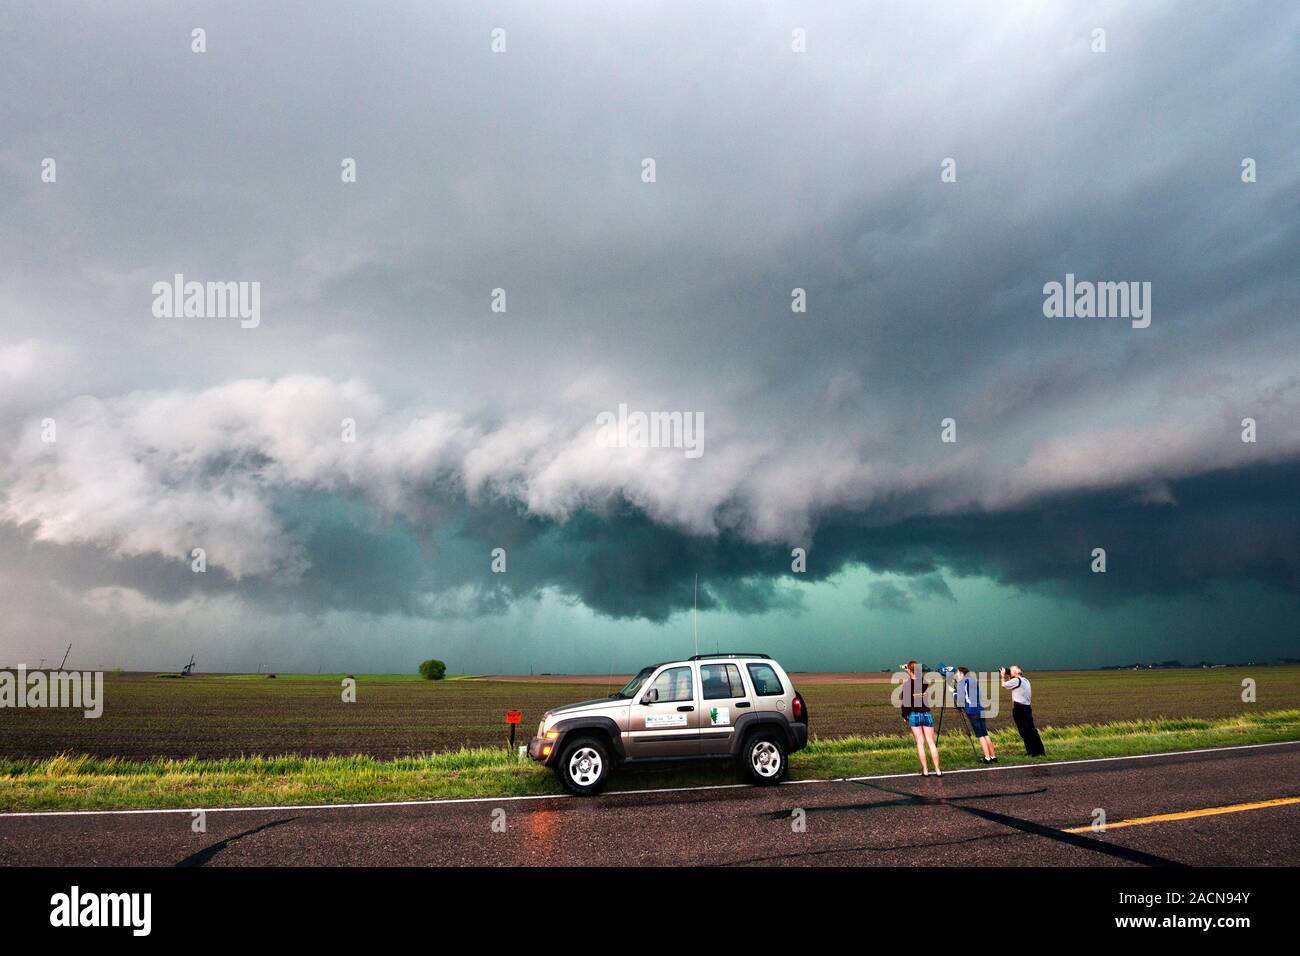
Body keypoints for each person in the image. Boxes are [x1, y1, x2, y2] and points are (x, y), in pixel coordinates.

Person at [899, 660, 941, 776]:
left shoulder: (907, 684)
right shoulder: (923, 682)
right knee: (931, 742)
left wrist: (904, 716)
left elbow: (905, 703)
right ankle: (938, 770)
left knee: (920, 743)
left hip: (914, 714)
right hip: (926, 713)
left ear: (909, 670)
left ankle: (926, 770)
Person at [955, 666, 996, 763]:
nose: (956, 675)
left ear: (961, 673)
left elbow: (960, 699)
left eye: (957, 673)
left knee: (980, 735)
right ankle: (993, 756)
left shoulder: (962, 682)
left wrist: (953, 693)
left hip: (972, 711)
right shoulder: (972, 680)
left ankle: (987, 758)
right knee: (985, 733)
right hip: (980, 709)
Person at [1001, 665, 1045, 756]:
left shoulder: (1017, 680)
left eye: (1013, 669)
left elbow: (1004, 685)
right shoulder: (1025, 680)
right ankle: (1039, 751)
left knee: (1024, 731)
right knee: (1032, 730)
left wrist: (1002, 676)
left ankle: (1032, 752)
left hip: (1019, 709)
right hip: (1027, 708)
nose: (1011, 670)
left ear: (1018, 672)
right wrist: (1009, 675)